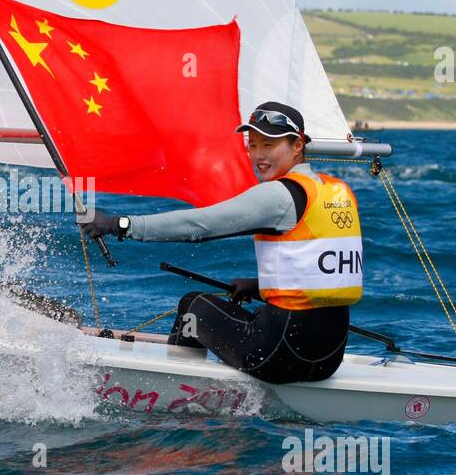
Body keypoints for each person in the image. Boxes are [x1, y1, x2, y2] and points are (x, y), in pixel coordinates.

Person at [82, 101, 362, 384]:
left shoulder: (278, 195)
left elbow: (198, 227)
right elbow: (322, 267)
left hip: (279, 356)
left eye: (269, 145)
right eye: (253, 145)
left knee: (193, 305)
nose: (258, 156)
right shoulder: (337, 192)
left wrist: (121, 225)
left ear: (297, 145)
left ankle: (179, 392)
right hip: (328, 358)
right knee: (254, 315)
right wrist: (259, 284)